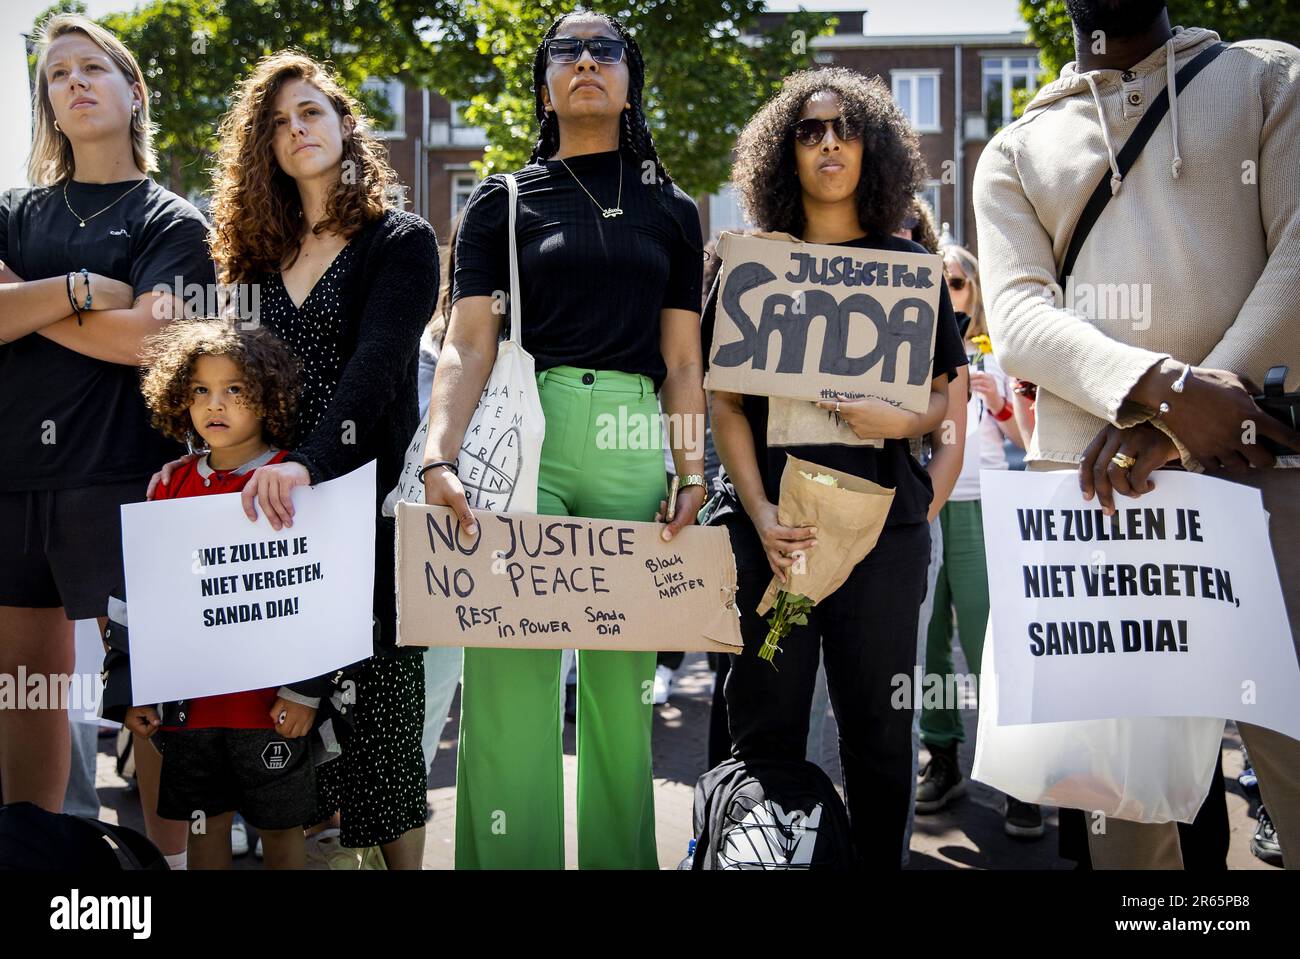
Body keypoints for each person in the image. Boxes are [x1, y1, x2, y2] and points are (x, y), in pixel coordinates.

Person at [974, 0, 1300, 868]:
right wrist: (1163, 393)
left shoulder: (1270, 78)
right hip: (1104, 507)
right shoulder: (1013, 150)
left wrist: (1200, 414)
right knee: (1129, 833)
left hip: (1267, 476)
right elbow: (1016, 318)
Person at [424, 10, 705, 869]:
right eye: (567, 51)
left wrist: (691, 468)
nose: (586, 61)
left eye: (605, 50)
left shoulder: (673, 209)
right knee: (509, 681)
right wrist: (440, 450)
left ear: (630, 78)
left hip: (631, 439)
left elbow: (684, 360)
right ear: (545, 79)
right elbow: (470, 345)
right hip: (524, 443)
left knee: (623, 690)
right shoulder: (502, 202)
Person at [706, 67, 967, 868]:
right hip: (771, 533)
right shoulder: (752, 263)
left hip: (880, 535)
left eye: (845, 129)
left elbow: (945, 403)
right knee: (766, 729)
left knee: (880, 735)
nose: (828, 143)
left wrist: (908, 423)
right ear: (783, 152)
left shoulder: (910, 263)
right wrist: (755, 511)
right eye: (810, 130)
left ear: (873, 149)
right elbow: (722, 406)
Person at [195, 51, 439, 869]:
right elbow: (239, 388)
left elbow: (377, 368)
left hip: (368, 518)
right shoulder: (254, 263)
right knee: (280, 742)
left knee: (382, 740)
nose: (296, 130)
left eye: (310, 113)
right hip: (277, 521)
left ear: (343, 125)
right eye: (276, 123)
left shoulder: (400, 241)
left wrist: (306, 462)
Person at [0, 15, 211, 873]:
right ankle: (34, 856)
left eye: (94, 68)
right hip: (14, 474)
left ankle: (158, 868)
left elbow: (154, 344)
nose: (75, 82)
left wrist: (32, 305)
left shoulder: (174, 218)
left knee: (150, 692)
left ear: (133, 93)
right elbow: (115, 323)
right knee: (30, 686)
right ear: (47, 103)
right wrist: (85, 290)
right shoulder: (15, 210)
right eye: (57, 75)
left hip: (126, 475)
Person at [104, 321, 313, 869]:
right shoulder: (169, 485)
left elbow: (315, 595)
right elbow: (140, 595)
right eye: (200, 390)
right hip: (190, 708)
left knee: (283, 833)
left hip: (270, 708)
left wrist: (304, 692)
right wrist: (133, 688)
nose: (214, 404)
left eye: (234, 390)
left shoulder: (290, 479)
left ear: (268, 398)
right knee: (205, 828)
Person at [915, 244, 1035, 838]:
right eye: (938, 282)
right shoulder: (912, 337)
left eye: (957, 282)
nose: (949, 292)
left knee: (993, 641)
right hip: (921, 506)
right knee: (931, 643)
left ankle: (1016, 774)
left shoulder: (999, 347)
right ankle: (943, 756)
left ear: (976, 290)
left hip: (983, 505)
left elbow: (1026, 434)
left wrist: (998, 401)